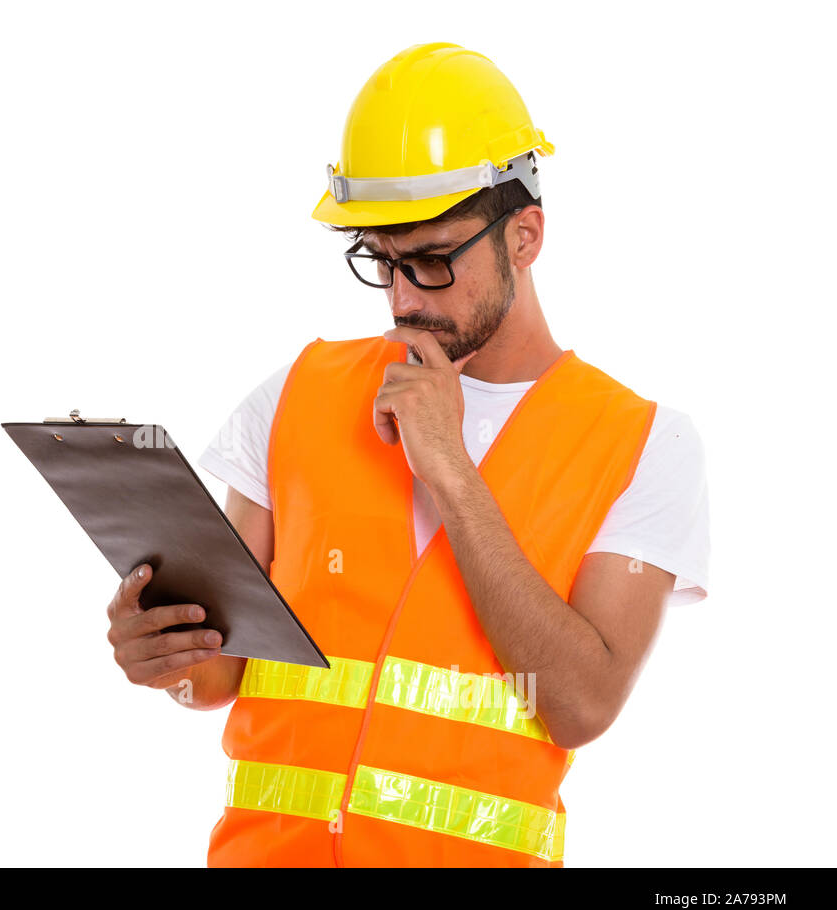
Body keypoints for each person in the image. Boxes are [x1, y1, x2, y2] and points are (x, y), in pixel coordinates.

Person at [105, 42, 709, 866]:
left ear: (525, 235)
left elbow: (579, 704)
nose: (401, 298)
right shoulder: (298, 393)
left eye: (431, 261)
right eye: (381, 262)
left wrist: (452, 471)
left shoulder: (642, 444)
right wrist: (166, 658)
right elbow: (219, 676)